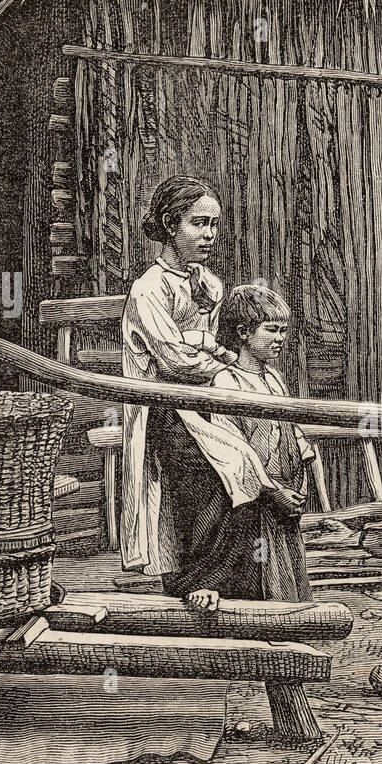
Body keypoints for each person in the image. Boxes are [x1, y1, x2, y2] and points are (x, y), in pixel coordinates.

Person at [119, 175, 253, 578]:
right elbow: (177, 361)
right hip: (161, 409)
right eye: (198, 223)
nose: (209, 235)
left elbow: (204, 348)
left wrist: (210, 353)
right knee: (221, 473)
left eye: (214, 224)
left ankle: (243, 579)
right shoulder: (148, 289)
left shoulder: (209, 284)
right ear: (169, 224)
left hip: (202, 402)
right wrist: (223, 361)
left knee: (256, 459)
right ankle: (197, 577)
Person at [149, 283, 315, 607]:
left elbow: (293, 431)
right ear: (243, 332)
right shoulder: (226, 381)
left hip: (285, 489)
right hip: (258, 498)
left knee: (287, 570)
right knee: (257, 568)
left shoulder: (275, 379)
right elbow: (234, 449)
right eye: (271, 330)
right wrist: (273, 491)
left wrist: (302, 479)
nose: (280, 338)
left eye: (283, 330)